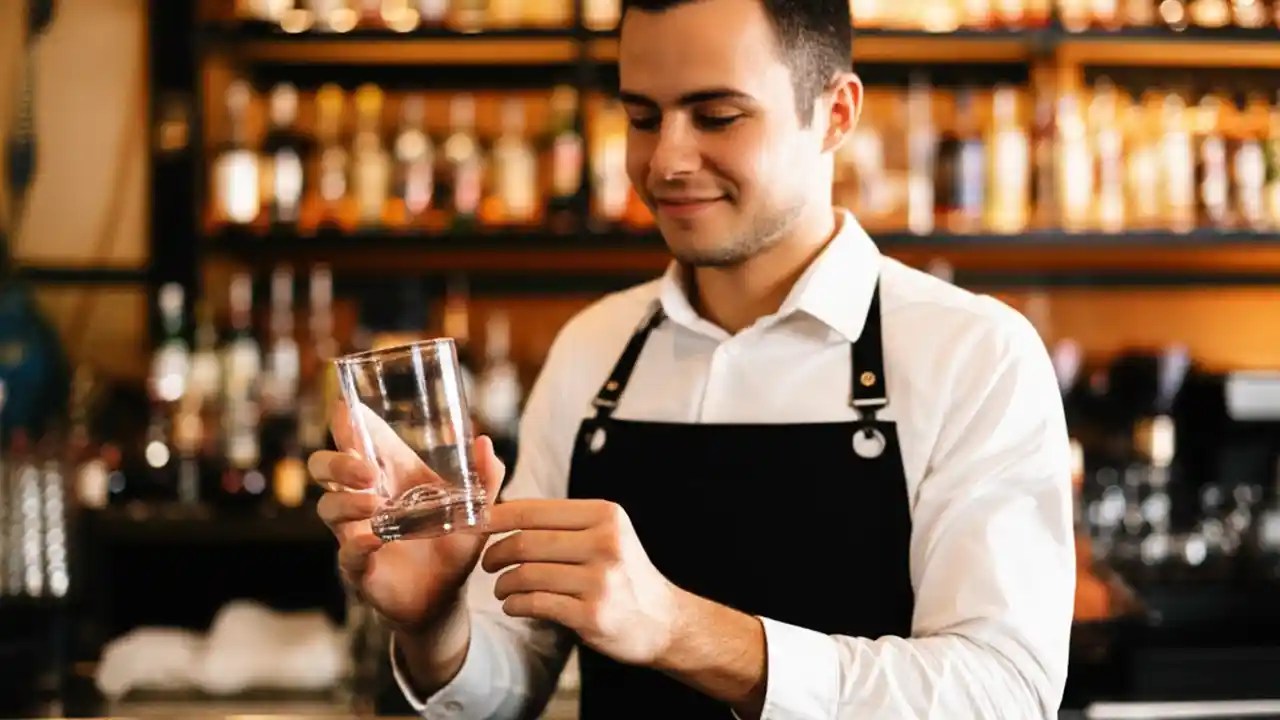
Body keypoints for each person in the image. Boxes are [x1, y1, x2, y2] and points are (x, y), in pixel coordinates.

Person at [307, 0, 1076, 717]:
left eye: (716, 116)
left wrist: (681, 630)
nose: (665, 161)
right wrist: (436, 625)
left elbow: (1001, 691)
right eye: (642, 117)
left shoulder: (973, 355)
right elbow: (510, 688)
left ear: (835, 113)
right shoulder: (592, 351)